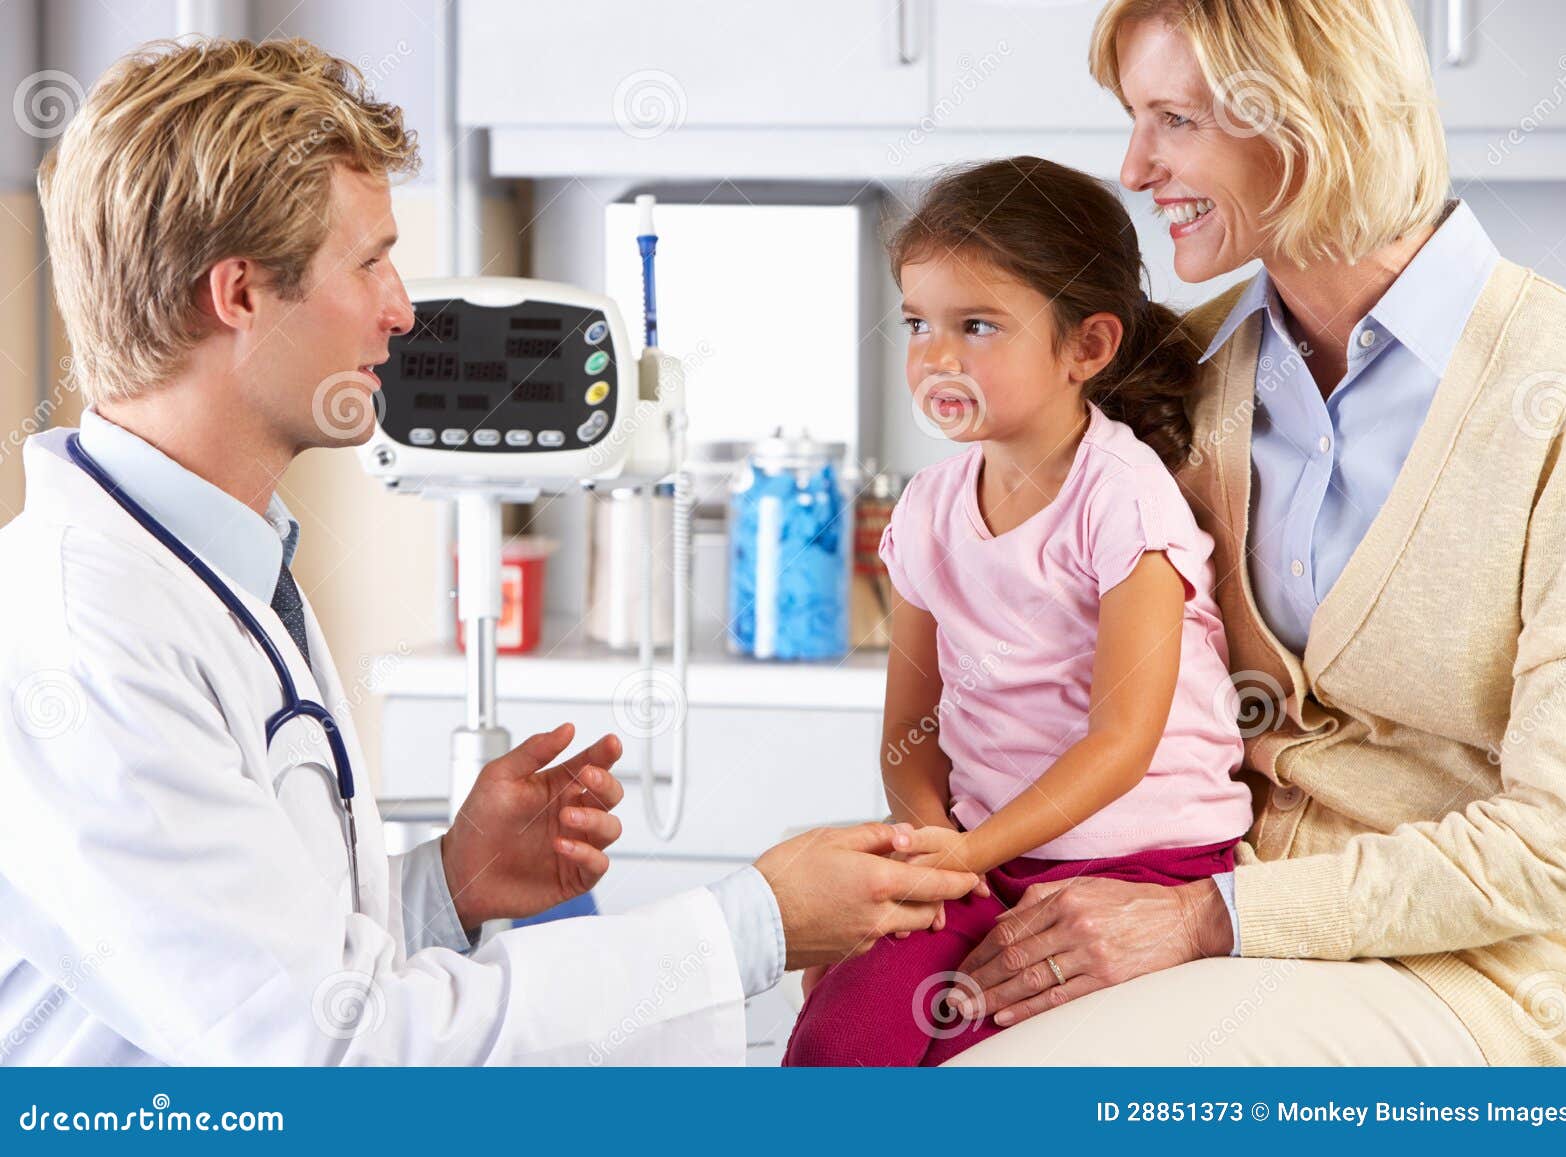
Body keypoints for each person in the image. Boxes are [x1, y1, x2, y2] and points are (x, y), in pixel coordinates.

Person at [0, 37, 980, 1066]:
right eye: (369, 260)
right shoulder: (79, 638)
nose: (402, 307)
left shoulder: (217, 570)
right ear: (238, 293)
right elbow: (325, 1053)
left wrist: (450, 881)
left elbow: (285, 968)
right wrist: (751, 926)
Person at [945, 0, 1566, 1066]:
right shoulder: (1182, 378)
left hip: (1470, 975)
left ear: (1310, 118)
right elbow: (1058, 687)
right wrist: (934, 880)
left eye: (1174, 120)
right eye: (1133, 117)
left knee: (1007, 1091)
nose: (1134, 165)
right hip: (1183, 914)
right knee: (873, 1036)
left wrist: (1217, 913)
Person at [782, 158, 1251, 1067]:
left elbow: (1123, 744)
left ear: (1087, 347)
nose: (937, 357)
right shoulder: (927, 508)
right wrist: (932, 851)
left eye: (978, 325)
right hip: (983, 856)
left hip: (1146, 865)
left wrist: (971, 855)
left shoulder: (1124, 501)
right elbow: (910, 731)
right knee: (845, 1031)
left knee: (989, 1063)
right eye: (920, 323)